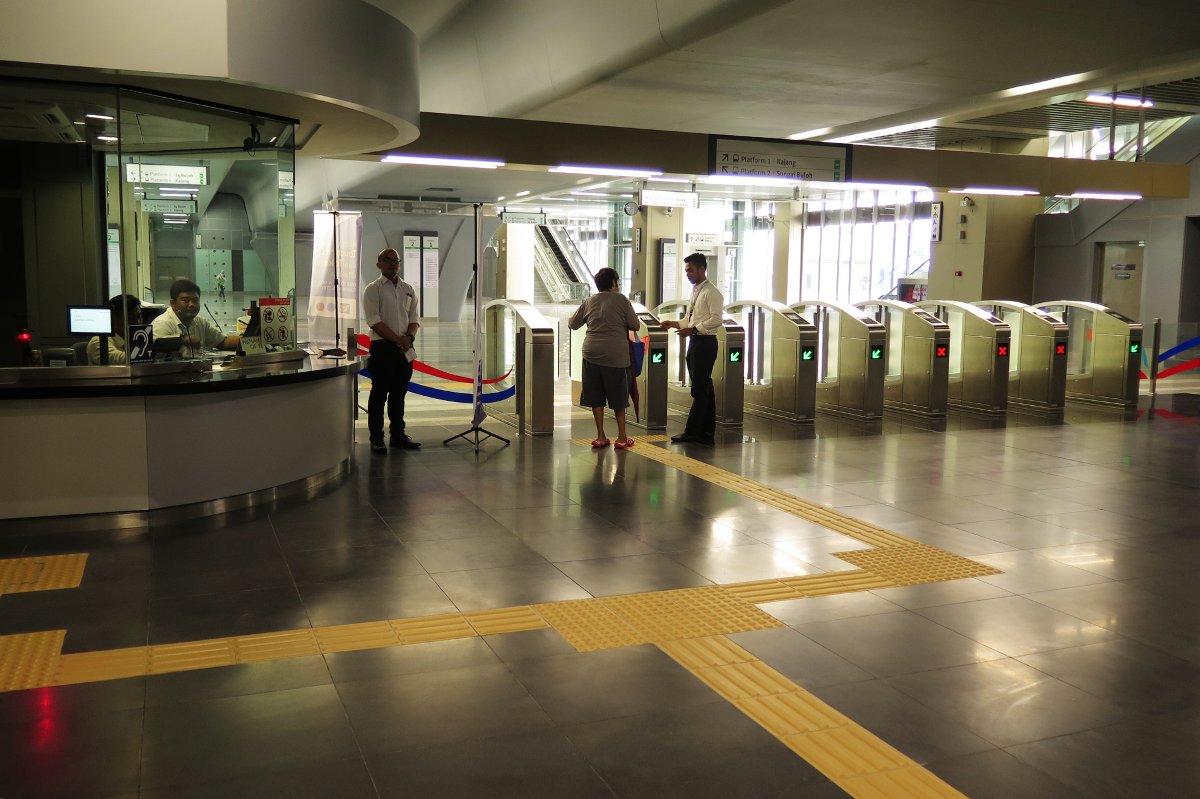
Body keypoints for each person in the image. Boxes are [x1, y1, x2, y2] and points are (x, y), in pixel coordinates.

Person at [568, 267, 641, 449]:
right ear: (613, 283)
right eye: (617, 282)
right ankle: (622, 438)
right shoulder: (622, 300)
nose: (618, 286)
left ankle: (601, 437)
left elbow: (573, 324)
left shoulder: (590, 301)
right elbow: (635, 325)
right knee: (619, 398)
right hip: (616, 356)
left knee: (596, 396)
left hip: (591, 354)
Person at [661, 252, 723, 445]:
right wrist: (674, 323)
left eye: (690, 270)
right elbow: (690, 319)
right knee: (704, 387)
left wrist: (694, 330)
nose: (687, 274)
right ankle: (706, 432)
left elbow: (716, 319)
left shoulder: (712, 292)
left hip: (705, 343)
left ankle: (693, 431)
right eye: (686, 270)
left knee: (699, 388)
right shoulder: (696, 291)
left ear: (702, 269)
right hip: (696, 342)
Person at [363, 247, 421, 453]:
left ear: (399, 264)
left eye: (395, 260)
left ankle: (398, 435)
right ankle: (376, 438)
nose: (392, 264)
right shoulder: (373, 289)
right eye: (386, 260)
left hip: (404, 348)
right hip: (383, 348)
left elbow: (414, 319)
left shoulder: (408, 289)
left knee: (399, 393)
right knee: (379, 394)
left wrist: (409, 338)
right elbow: (374, 321)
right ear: (378, 264)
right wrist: (399, 339)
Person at [151, 278, 240, 358]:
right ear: (173, 303)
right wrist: (182, 341)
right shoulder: (162, 323)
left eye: (195, 300)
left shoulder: (200, 322)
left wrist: (247, 340)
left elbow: (222, 342)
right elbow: (154, 347)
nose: (191, 305)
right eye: (185, 300)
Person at [87, 294, 142, 365]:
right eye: (130, 318)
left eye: (139, 317)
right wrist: (147, 351)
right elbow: (118, 359)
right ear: (113, 319)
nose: (137, 322)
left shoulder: (133, 339)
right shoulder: (99, 341)